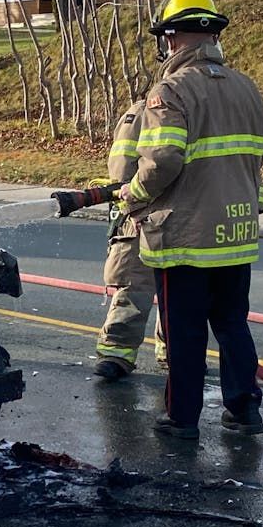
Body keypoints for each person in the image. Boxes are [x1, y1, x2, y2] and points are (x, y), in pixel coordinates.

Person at [119, 0, 263, 439]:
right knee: (231, 324)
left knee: (183, 332)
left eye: (167, 38)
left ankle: (181, 418)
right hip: (237, 233)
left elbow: (163, 160)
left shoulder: (170, 90)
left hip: (184, 235)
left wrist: (134, 195)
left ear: (173, 38)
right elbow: (255, 158)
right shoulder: (247, 88)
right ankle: (244, 411)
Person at [93, 99, 167, 380]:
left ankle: (172, 351)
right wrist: (133, 203)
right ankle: (116, 353)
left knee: (179, 288)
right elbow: (124, 166)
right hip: (141, 213)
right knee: (134, 285)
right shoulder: (146, 111)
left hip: (174, 215)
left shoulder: (186, 105)